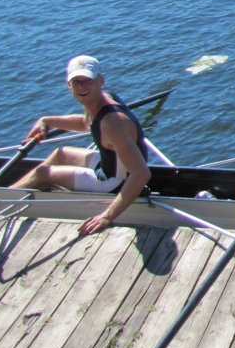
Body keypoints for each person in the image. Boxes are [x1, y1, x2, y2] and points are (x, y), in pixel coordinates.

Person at [10, 55, 151, 235]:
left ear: (100, 80)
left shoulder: (113, 123)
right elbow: (85, 123)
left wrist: (106, 216)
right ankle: (19, 190)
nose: (82, 87)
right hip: (110, 165)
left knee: (42, 173)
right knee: (60, 154)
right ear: (69, 85)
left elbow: (141, 173)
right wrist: (47, 121)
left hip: (116, 182)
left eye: (87, 81)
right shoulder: (99, 99)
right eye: (77, 82)